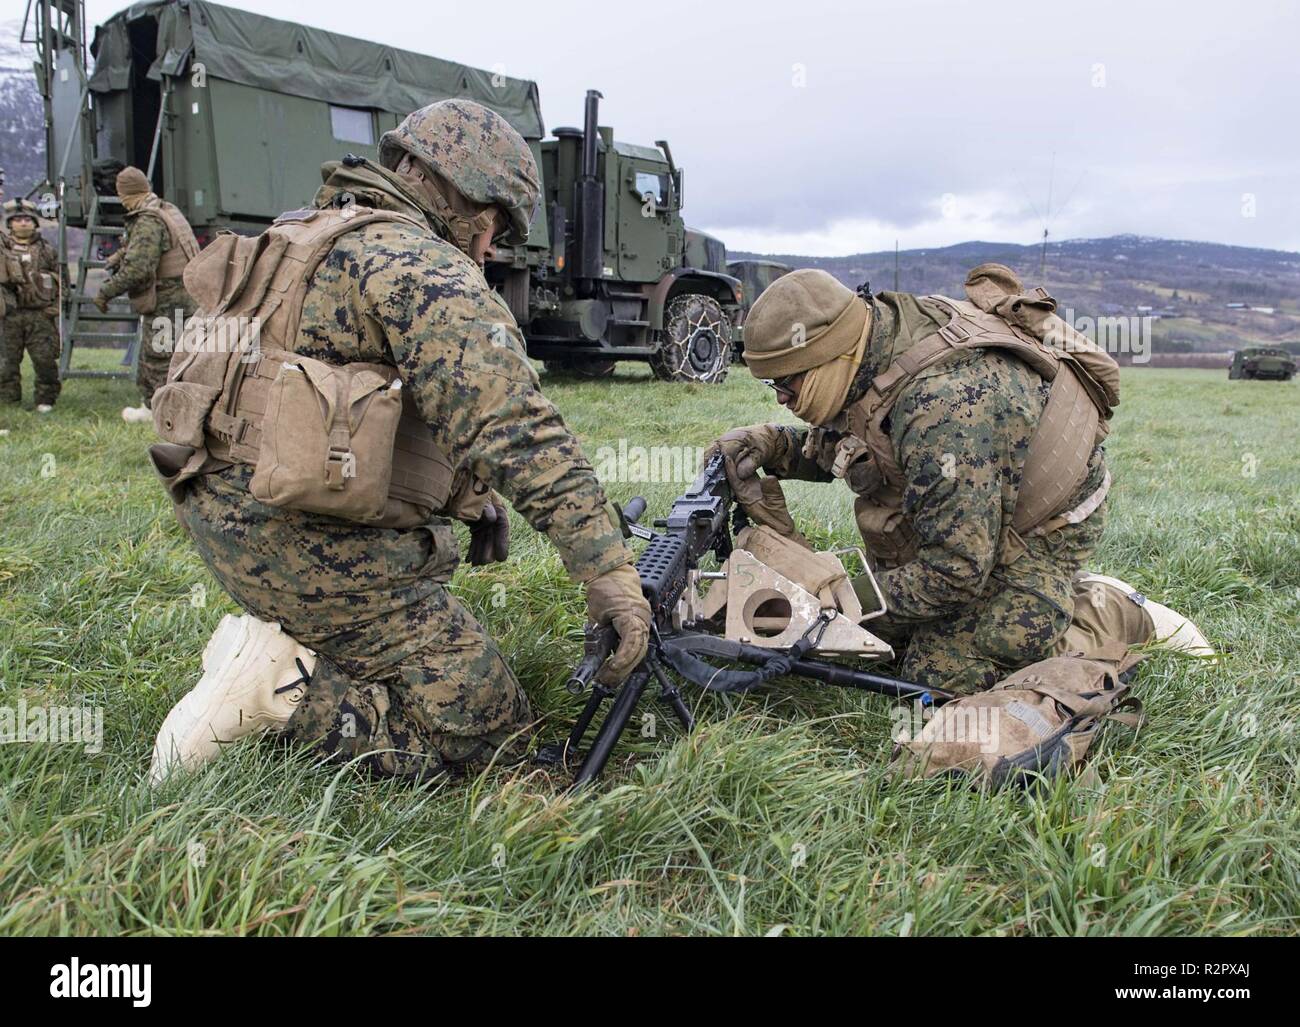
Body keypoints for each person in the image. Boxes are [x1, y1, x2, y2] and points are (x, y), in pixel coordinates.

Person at [149, 99, 650, 784]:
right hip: (297, 541)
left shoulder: (306, 231)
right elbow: (517, 427)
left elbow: (335, 400)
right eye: (494, 225)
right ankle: (281, 685)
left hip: (221, 511)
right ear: (464, 195)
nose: (487, 248)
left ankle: (281, 636)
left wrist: (463, 494)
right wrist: (609, 572)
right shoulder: (420, 266)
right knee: (491, 740)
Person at [708, 265, 1205, 695]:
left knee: (940, 676)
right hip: (975, 519)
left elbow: (954, 573)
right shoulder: (873, 349)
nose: (779, 398)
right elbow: (858, 449)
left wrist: (833, 604)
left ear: (831, 354)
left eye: (785, 383)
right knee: (879, 639)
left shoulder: (943, 408)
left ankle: (1105, 610)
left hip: (1036, 535)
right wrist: (774, 445)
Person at [92, 166, 199, 420]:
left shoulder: (148, 220)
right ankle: (157, 408)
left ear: (123, 194)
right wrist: (120, 255)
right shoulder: (166, 209)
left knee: (159, 358)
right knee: (166, 356)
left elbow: (139, 269)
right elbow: (150, 248)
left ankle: (164, 414)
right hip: (186, 296)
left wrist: (106, 292)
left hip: (169, 300)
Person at [0, 199, 64, 413]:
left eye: (28, 219)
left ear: (35, 223)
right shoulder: (3, 249)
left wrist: (55, 308)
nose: (23, 223)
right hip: (9, 316)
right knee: (6, 363)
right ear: (10, 224)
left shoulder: (46, 250)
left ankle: (46, 401)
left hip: (40, 315)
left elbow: (62, 281)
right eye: (18, 220)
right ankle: (9, 402)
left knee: (45, 360)